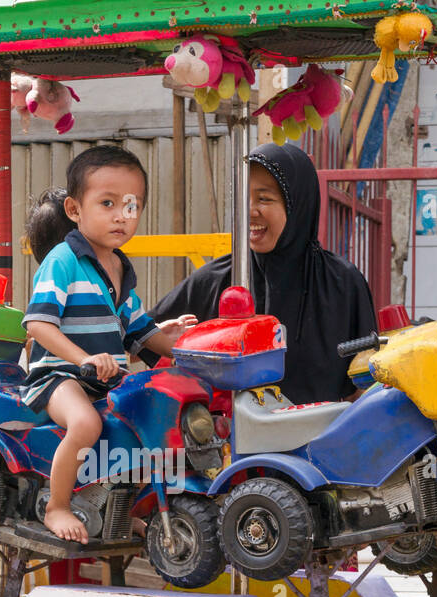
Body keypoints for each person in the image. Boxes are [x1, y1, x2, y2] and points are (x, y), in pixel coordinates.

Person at [22, 146, 196, 543]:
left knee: (144, 428)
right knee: (86, 424)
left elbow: (141, 333)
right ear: (74, 209)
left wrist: (189, 348)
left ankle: (117, 511)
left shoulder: (119, 267)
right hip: (58, 377)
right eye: (107, 203)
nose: (122, 215)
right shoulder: (63, 260)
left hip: (105, 378)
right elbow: (38, 323)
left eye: (132, 205)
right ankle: (58, 507)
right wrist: (84, 359)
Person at [151, 142, 375, 405]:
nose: (249, 210)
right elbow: (138, 342)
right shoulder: (218, 279)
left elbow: (366, 382)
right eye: (243, 198)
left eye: (264, 198)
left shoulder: (342, 283)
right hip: (228, 441)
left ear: (297, 205)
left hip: (323, 439)